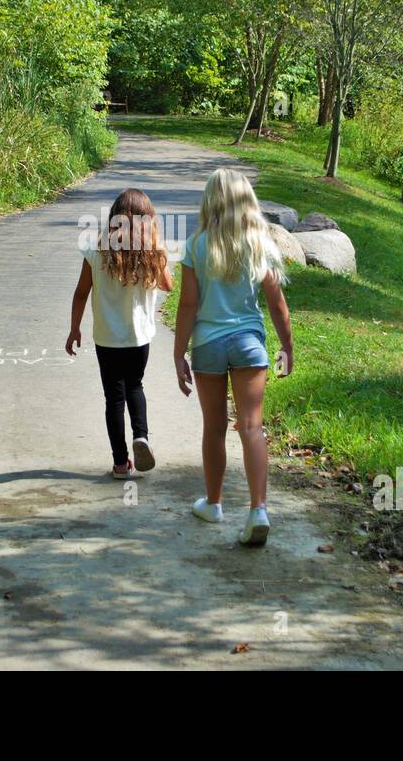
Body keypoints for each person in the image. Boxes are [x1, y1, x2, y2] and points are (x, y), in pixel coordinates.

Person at [174, 168, 293, 546]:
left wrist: (179, 353)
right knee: (251, 427)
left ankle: (213, 503)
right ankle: (258, 510)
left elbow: (188, 304)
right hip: (249, 345)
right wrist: (287, 346)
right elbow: (277, 304)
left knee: (215, 427)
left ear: (211, 200)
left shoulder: (196, 244)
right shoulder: (259, 243)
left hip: (208, 344)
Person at [66, 188, 173, 477]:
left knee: (113, 397)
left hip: (107, 338)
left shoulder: (96, 251)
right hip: (138, 338)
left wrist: (74, 328)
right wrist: (157, 245)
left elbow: (81, 292)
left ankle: (119, 462)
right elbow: (168, 286)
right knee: (135, 386)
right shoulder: (151, 253)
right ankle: (142, 436)